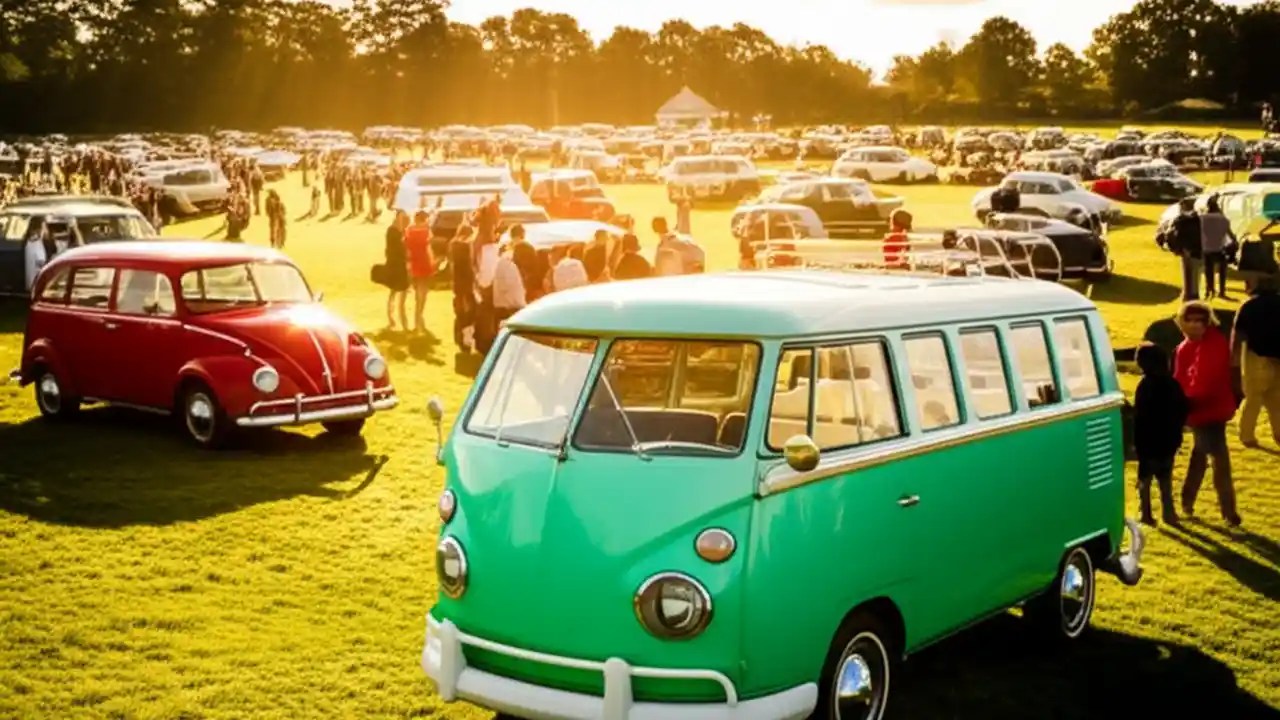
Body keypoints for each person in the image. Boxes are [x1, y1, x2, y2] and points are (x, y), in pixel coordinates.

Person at [1173, 301, 1241, 526]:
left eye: (1199, 321)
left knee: (1211, 456)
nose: (1194, 326)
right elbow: (1180, 379)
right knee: (1207, 456)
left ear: (1207, 322)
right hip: (1198, 411)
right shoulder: (1183, 348)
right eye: (1189, 320)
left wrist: (1187, 403)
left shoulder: (1215, 343)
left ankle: (1219, 508)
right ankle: (1223, 510)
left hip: (1211, 409)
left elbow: (1206, 378)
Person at [1133, 342, 1189, 526]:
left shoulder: (1145, 386)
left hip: (1148, 440)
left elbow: (1140, 415)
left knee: (1145, 478)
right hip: (1169, 439)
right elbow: (1183, 409)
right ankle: (1169, 512)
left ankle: (1146, 512)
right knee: (1165, 477)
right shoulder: (1172, 384)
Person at [1231, 273, 1280, 447]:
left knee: (1253, 398)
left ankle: (1247, 435)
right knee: (1276, 399)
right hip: (1278, 358)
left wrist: (1234, 360)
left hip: (1254, 355)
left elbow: (1238, 334)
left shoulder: (1249, 306)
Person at [403, 209, 436, 333]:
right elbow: (429, 247)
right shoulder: (426, 230)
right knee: (424, 291)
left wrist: (408, 263)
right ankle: (419, 314)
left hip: (414, 262)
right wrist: (433, 262)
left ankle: (418, 316)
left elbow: (407, 248)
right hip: (424, 261)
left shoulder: (409, 230)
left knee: (418, 290)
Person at [1199, 195, 1235, 300]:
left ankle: (1209, 290)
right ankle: (1222, 291)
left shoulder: (1202, 218)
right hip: (1220, 248)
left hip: (1206, 248)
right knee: (1222, 270)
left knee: (1208, 270)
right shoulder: (1223, 219)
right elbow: (1230, 234)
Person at [1169, 198, 1204, 301]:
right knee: (1195, 275)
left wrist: (1178, 248)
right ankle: (1194, 294)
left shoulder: (1180, 220)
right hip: (1197, 250)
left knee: (1187, 273)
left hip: (1186, 250)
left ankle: (1188, 295)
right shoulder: (1200, 218)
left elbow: (1176, 235)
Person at [382, 210, 410, 331]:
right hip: (394, 265)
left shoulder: (402, 231)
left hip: (402, 265)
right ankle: (391, 318)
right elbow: (393, 249)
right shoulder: (393, 231)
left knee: (402, 293)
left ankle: (403, 322)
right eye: (402, 218)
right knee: (393, 292)